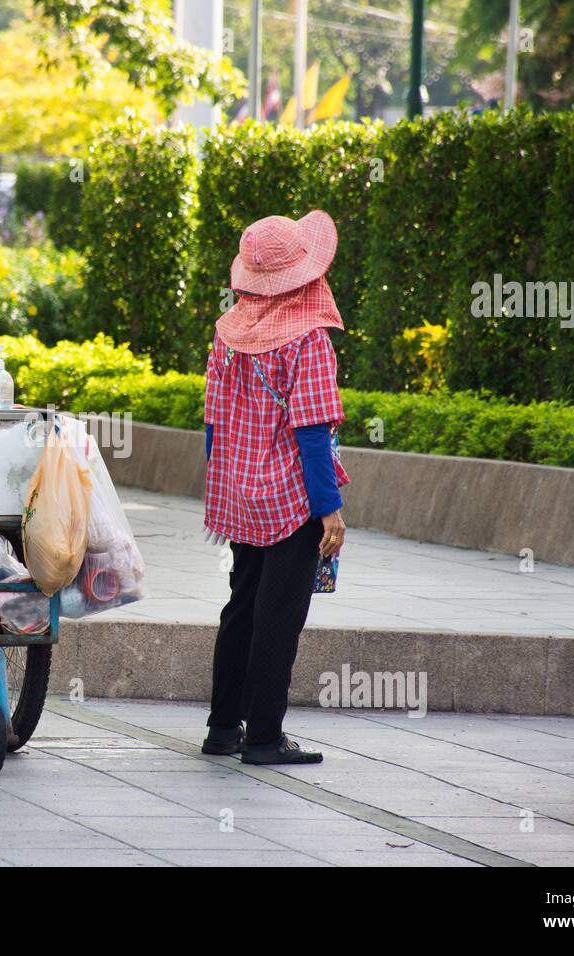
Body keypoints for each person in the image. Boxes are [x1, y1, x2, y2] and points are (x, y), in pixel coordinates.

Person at [201, 211, 349, 765]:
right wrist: (329, 509)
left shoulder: (228, 332)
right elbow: (312, 434)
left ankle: (221, 729)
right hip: (289, 500)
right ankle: (263, 736)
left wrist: (229, 485)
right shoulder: (308, 341)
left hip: (239, 494)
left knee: (241, 607)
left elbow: (214, 422)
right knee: (278, 617)